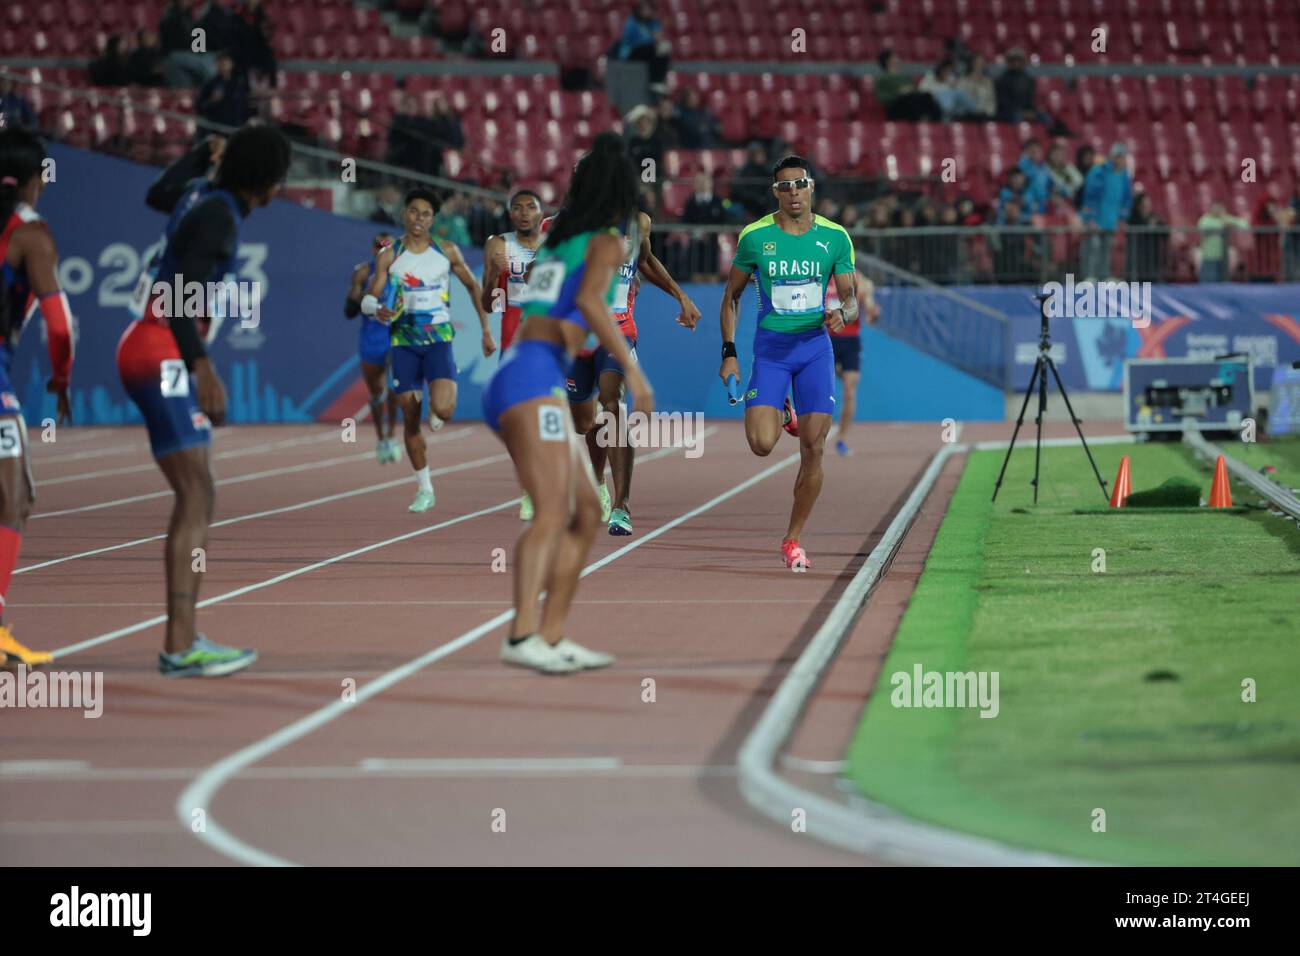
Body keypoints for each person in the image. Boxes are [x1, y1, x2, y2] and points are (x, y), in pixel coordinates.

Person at [118, 126, 290, 677]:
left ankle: (183, 639)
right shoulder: (219, 216)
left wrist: (200, 153)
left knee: (197, 492)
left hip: (149, 348)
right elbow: (172, 296)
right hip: (162, 352)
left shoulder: (201, 196)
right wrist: (201, 365)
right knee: (198, 492)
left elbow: (157, 195)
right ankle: (180, 644)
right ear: (271, 185)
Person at [480, 132, 653, 673]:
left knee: (582, 511)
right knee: (557, 512)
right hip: (533, 379)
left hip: (526, 373)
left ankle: (550, 637)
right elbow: (585, 302)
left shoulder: (559, 239)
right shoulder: (606, 241)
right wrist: (634, 372)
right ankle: (522, 635)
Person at [719, 155, 858, 572]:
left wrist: (844, 314)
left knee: (813, 447)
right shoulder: (755, 237)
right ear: (775, 191)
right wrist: (728, 352)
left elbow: (851, 299)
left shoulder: (835, 238)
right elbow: (732, 298)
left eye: (800, 184)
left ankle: (792, 539)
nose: (793, 192)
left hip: (815, 349)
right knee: (761, 445)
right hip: (773, 353)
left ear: (811, 186)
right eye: (785, 186)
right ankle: (782, 407)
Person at [565, 206, 699, 536]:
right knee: (584, 421)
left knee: (612, 404)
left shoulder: (638, 222)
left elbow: (645, 261)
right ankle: (597, 483)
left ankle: (621, 507)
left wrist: (680, 295)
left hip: (619, 330)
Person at [360, 188, 495, 513]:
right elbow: (372, 294)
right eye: (413, 212)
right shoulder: (389, 255)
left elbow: (473, 287)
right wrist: (373, 308)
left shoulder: (446, 251)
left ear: (433, 219)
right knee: (409, 416)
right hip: (403, 343)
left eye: (425, 214)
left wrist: (486, 330)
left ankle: (438, 408)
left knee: (445, 410)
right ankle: (425, 488)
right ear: (404, 214)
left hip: (438, 340)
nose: (418, 219)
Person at [0, 128, 75, 668]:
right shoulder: (31, 234)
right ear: (34, 181)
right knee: (13, 499)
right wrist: (62, 380)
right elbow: (60, 327)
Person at [344, 232, 400, 464]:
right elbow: (348, 312)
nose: (383, 249)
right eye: (380, 245)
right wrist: (361, 298)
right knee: (377, 393)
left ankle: (391, 434)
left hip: (396, 336)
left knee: (396, 384)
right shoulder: (363, 273)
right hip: (371, 339)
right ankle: (381, 438)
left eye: (389, 246)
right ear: (372, 249)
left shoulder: (403, 275)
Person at [481, 189, 545, 357]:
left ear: (541, 214)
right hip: (512, 342)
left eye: (531, 207)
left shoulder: (553, 246)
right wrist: (494, 275)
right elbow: (490, 306)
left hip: (547, 340)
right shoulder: (499, 244)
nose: (524, 213)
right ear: (510, 214)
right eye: (517, 207)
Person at [827, 270, 879, 457]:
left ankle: (841, 439)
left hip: (850, 342)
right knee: (823, 391)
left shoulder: (862, 281)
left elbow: (870, 314)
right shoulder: (822, 274)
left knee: (849, 391)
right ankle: (816, 434)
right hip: (827, 340)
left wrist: (873, 313)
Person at [1079, 143, 1132, 280]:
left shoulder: (1124, 175)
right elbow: (1090, 197)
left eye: (1123, 157)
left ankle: (1103, 275)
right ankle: (1088, 276)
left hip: (1111, 219)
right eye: (1118, 157)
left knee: (1106, 249)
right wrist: (1090, 218)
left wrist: (1121, 218)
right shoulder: (1098, 172)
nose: (1121, 160)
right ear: (1112, 157)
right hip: (1096, 219)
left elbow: (1126, 199)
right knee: (1092, 247)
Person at [875, 49, 942, 121]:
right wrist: (900, 92)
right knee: (912, 100)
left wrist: (911, 90)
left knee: (927, 96)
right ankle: (918, 123)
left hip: (911, 101)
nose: (897, 59)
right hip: (895, 107)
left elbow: (914, 89)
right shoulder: (882, 79)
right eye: (894, 57)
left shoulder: (904, 76)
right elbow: (883, 99)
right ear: (888, 60)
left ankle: (936, 123)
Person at [1196, 201, 1248, 282]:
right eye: (1215, 208)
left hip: (1223, 256)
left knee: (1223, 279)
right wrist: (1223, 225)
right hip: (1209, 254)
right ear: (1210, 209)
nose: (1217, 210)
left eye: (1219, 208)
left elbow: (1244, 224)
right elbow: (1204, 228)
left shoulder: (1225, 218)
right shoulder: (1205, 219)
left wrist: (1229, 222)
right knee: (1208, 278)